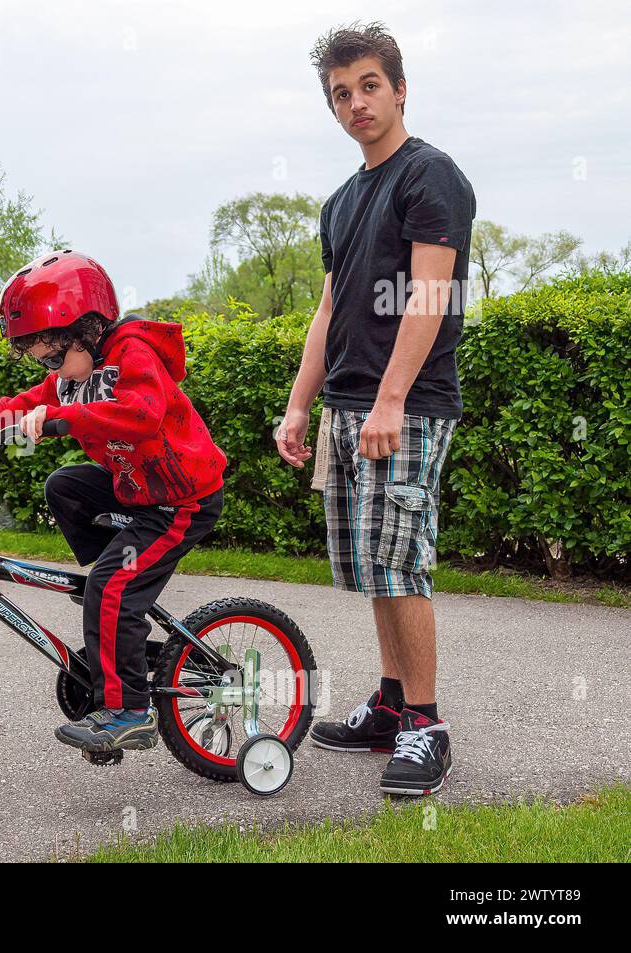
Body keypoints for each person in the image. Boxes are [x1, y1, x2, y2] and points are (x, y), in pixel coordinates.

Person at [277, 23, 475, 795]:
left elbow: (430, 297)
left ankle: (427, 725)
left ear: (399, 89)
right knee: (373, 566)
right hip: (347, 407)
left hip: (407, 405)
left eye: (368, 85)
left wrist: (391, 399)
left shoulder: (432, 177)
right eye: (340, 93)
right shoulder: (340, 202)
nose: (355, 102)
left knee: (400, 562)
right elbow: (327, 313)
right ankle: (392, 705)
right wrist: (299, 406)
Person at [0, 249, 227, 754]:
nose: (50, 367)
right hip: (137, 488)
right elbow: (34, 400)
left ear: (86, 329)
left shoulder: (133, 353)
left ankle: (130, 711)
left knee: (112, 589)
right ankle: (114, 584)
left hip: (181, 498)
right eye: (40, 358)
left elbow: (142, 414)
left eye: (52, 355)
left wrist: (70, 421)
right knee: (64, 485)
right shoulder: (71, 374)